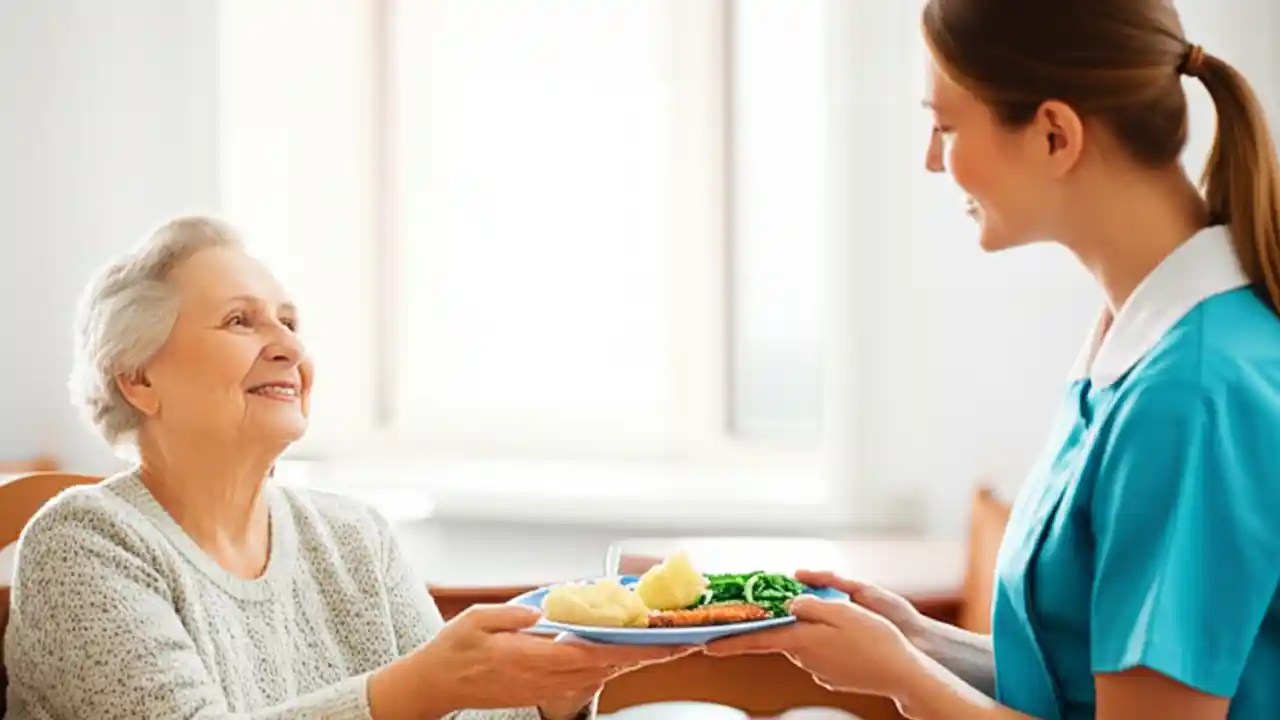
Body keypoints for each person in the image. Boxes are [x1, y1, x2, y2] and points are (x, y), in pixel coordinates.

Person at [710, 1, 1280, 719]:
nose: (929, 158)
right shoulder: (1135, 339)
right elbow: (1078, 676)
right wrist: (915, 643)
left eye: (945, 126)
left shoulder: (1193, 393)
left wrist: (904, 680)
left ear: (1053, 135)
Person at [2, 217, 690, 719]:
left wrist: (556, 696)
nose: (287, 347)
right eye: (241, 321)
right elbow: (425, 695)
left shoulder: (353, 535)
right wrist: (423, 685)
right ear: (138, 380)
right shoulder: (84, 545)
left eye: (290, 321)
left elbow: (452, 713)